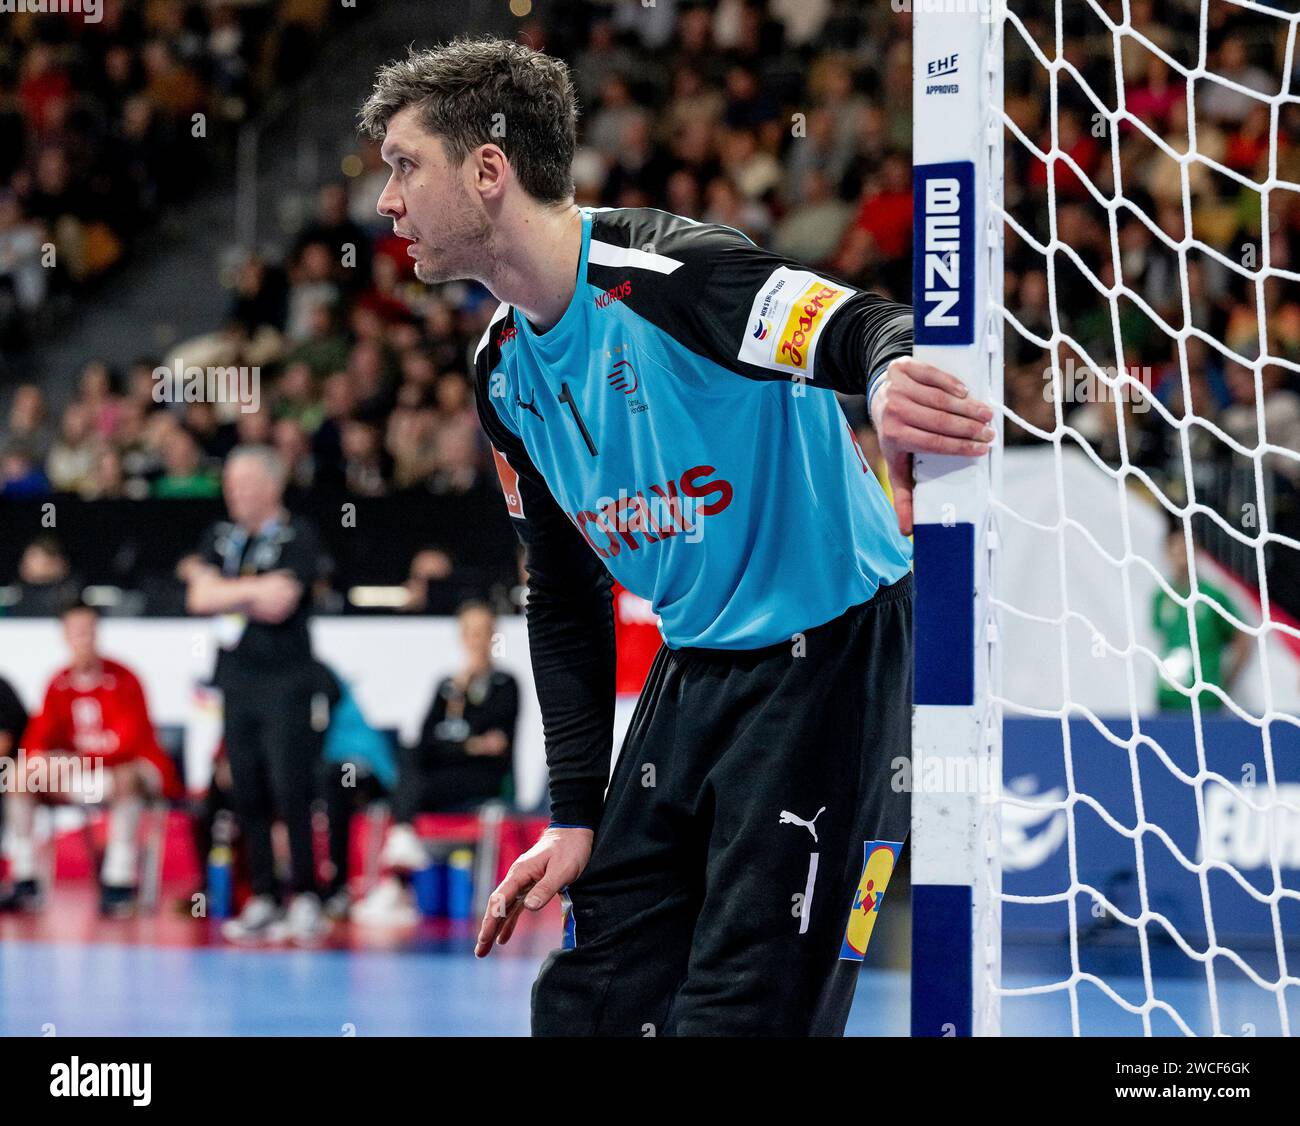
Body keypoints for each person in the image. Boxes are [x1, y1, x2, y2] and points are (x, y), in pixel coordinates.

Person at [360, 38, 994, 1035]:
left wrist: (887, 383)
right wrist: (575, 813)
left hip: (830, 659)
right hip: (694, 670)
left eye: (403, 165)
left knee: (742, 1008)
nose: (385, 203)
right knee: (593, 999)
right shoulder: (500, 376)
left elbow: (854, 325)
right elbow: (566, 595)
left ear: (487, 170)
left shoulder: (670, 274)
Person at [185, 446, 329, 944]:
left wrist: (229, 589)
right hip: (236, 682)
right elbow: (197, 597)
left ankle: (308, 895)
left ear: (272, 486)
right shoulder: (219, 535)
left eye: (244, 484)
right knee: (245, 789)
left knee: (291, 787)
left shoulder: (299, 535)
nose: (234, 493)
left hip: (286, 680)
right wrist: (252, 590)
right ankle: (264, 897)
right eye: (229, 483)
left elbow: (282, 602)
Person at [0, 600, 180, 916]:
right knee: (18, 774)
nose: (83, 638)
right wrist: (44, 763)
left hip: (131, 772)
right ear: (65, 636)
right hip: (86, 775)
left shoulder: (124, 679)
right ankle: (23, 878)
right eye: (75, 632)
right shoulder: (58, 683)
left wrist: (72, 761)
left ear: (98, 633)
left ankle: (119, 882)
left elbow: (129, 745)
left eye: (88, 630)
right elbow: (37, 741)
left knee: (126, 778)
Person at [352, 601, 518, 926]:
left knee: (411, 784)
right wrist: (466, 730)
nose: (475, 640)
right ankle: (400, 858)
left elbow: (498, 742)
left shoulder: (505, 685)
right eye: (469, 632)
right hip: (441, 776)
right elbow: (427, 739)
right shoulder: (447, 686)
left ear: (493, 636)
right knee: (409, 755)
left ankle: (397, 875)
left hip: (483, 779)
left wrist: (456, 743)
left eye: (482, 632)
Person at [1152, 523, 1251, 711]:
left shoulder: (1213, 596)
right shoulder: (1160, 598)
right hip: (1167, 698)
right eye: (1176, 549)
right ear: (1167, 552)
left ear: (1196, 552)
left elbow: (1243, 640)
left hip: (1206, 700)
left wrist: (1224, 682)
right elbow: (1163, 639)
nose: (1181, 556)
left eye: (1186, 549)